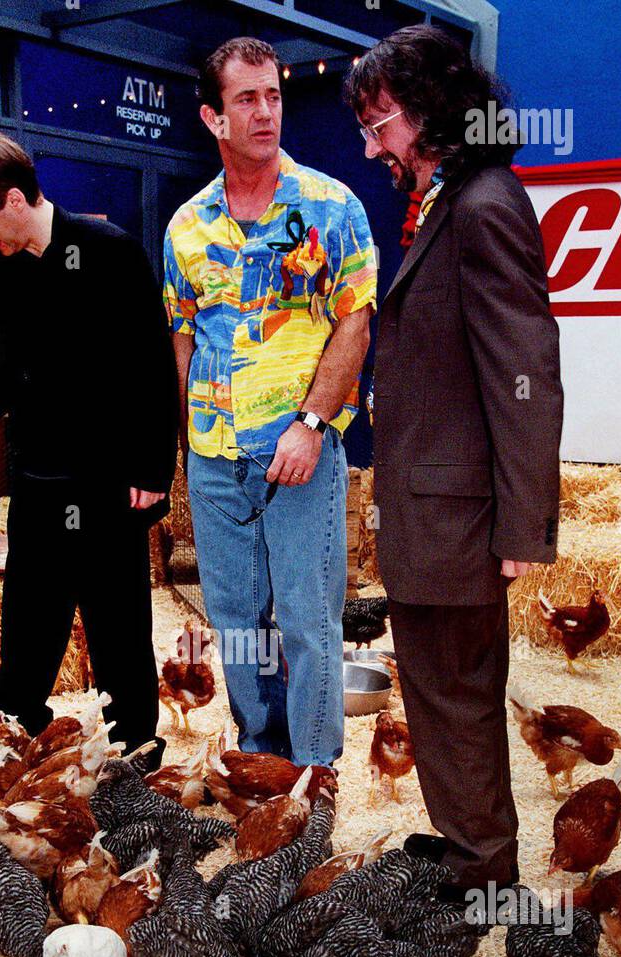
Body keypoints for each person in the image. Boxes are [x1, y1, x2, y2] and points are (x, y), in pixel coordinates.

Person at [345, 26, 563, 898]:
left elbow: (524, 375)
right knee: (442, 705)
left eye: (381, 120)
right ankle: (471, 855)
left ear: (434, 110)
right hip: (434, 517)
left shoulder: (484, 205)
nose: (371, 144)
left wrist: (521, 525)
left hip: (459, 526)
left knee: (459, 707)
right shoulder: (452, 201)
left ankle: (483, 884)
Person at [0, 130, 177, 756]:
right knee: (27, 621)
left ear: (16, 199)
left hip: (108, 479)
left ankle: (135, 752)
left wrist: (153, 470)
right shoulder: (9, 267)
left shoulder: (110, 252)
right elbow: (11, 368)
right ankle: (14, 743)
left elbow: (152, 367)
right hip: (38, 479)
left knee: (119, 628)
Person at [164, 37, 377, 767]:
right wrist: (190, 438)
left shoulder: (331, 206)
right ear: (213, 118)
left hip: (301, 454)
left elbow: (355, 320)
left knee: (310, 624)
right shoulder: (187, 228)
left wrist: (312, 424)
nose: (266, 112)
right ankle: (262, 762)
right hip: (217, 461)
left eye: (274, 95)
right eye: (247, 99)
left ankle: (314, 777)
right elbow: (183, 332)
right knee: (235, 624)